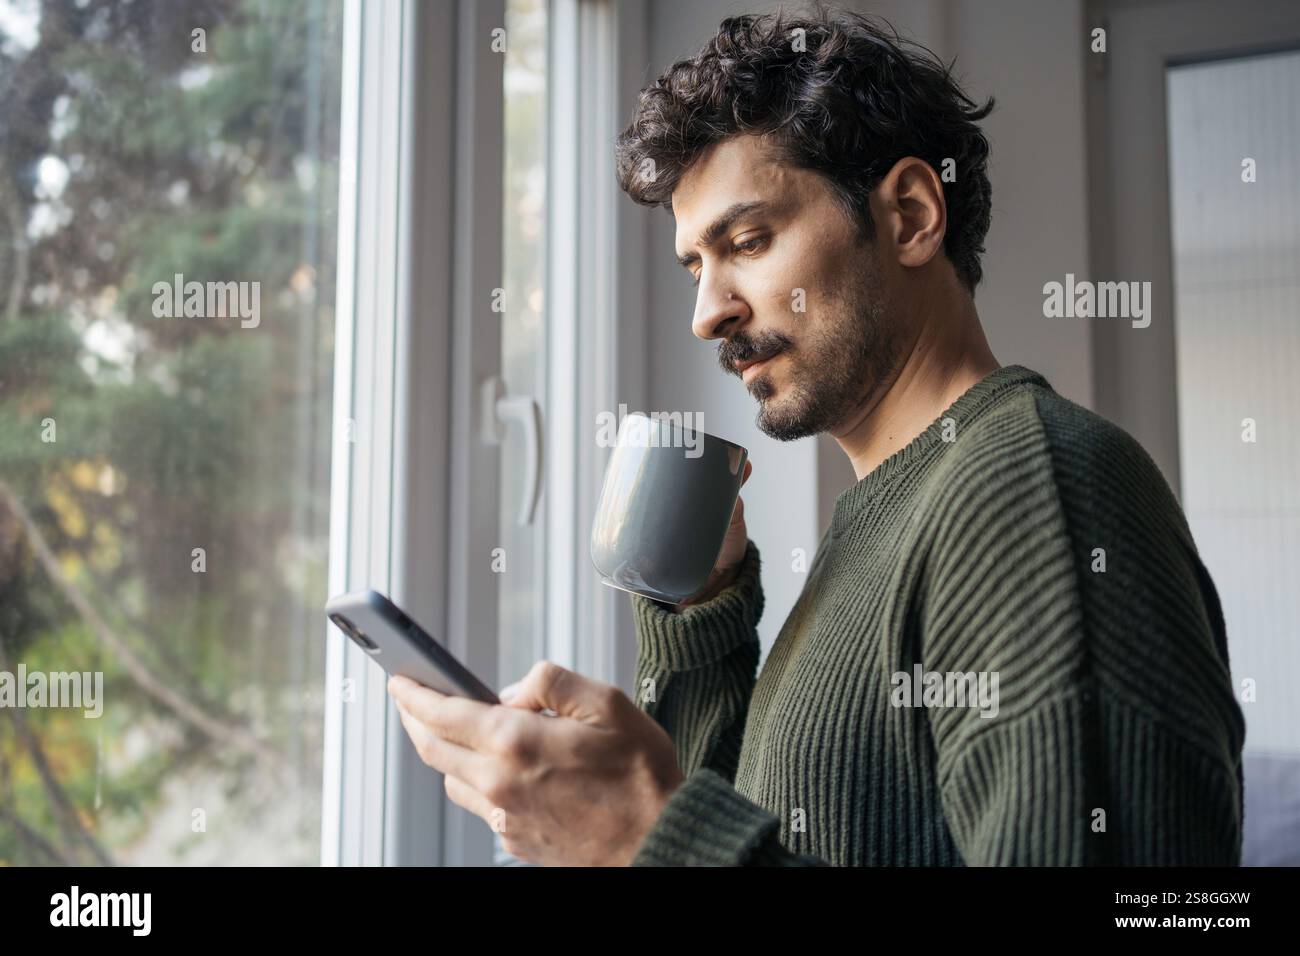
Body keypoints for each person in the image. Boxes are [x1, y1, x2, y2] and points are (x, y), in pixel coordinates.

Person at [390, 7, 1245, 866]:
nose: (705, 314)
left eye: (749, 241)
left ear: (910, 215)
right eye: (697, 266)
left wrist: (641, 837)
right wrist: (704, 614)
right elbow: (750, 831)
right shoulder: (889, 513)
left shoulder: (1032, 492)